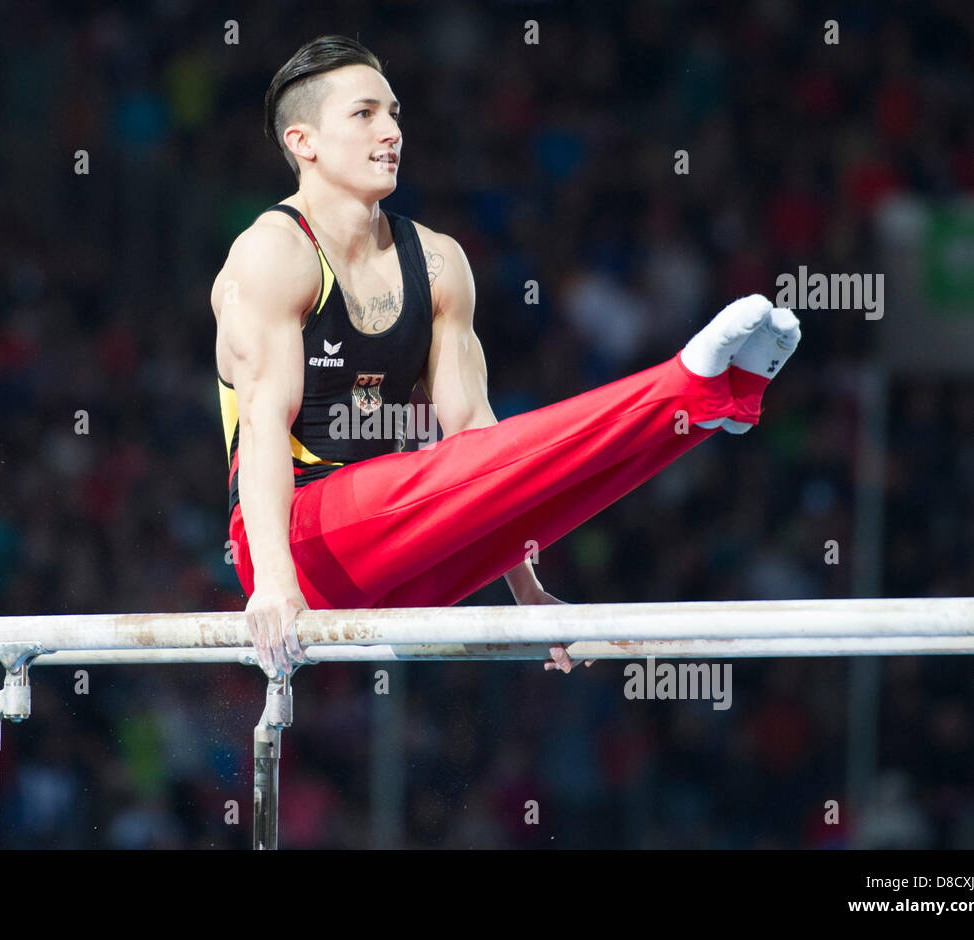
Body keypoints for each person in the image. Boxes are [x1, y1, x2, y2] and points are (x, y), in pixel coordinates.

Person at [211, 36, 801, 679]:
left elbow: (479, 446)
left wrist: (524, 592)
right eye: (365, 114)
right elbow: (265, 423)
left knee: (558, 480)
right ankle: (684, 384)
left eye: (395, 113)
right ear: (304, 142)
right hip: (296, 542)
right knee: (435, 470)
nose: (391, 131)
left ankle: (712, 405)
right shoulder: (271, 255)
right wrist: (272, 584)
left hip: (403, 555)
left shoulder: (438, 263)